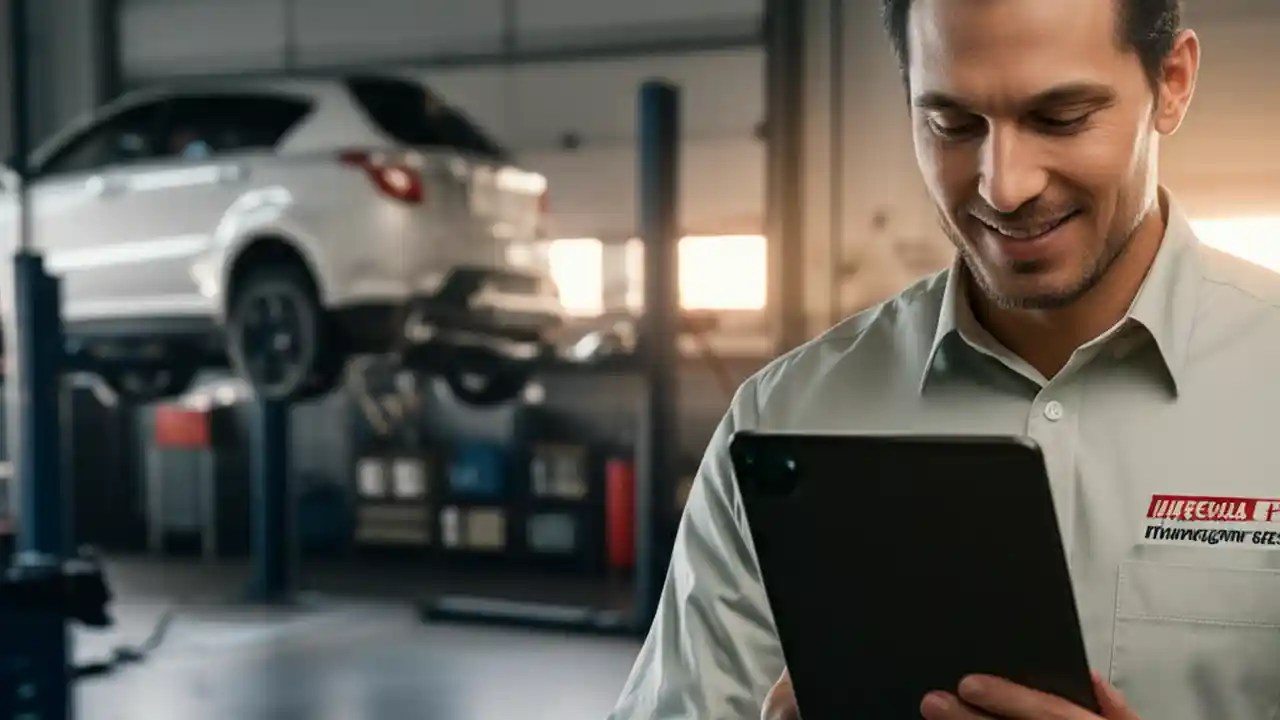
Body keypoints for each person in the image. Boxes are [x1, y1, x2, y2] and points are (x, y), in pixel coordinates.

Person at [607, 0, 1280, 718]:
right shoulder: (784, 415)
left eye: (1061, 118)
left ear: (1172, 82)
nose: (1005, 186)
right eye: (952, 125)